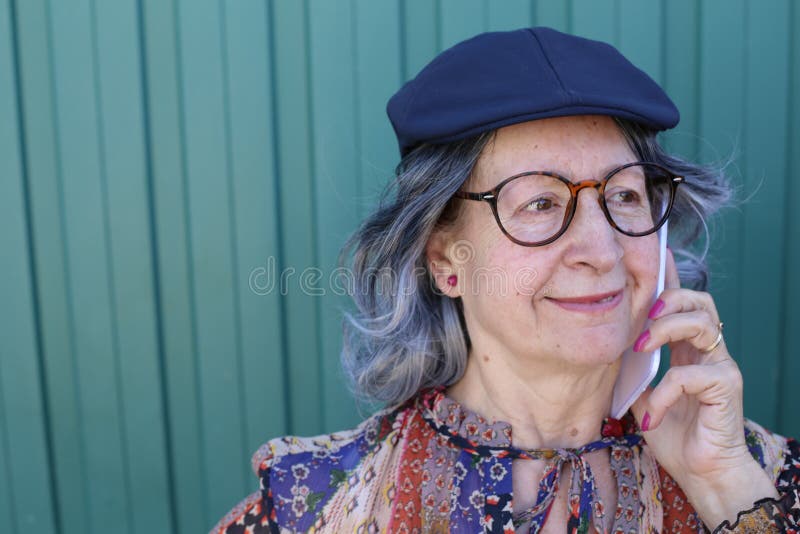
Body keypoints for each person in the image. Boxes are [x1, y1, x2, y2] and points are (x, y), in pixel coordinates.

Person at [211, 27, 800, 533]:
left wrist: (728, 488)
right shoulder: (308, 507)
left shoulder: (763, 478)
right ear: (444, 259)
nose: (602, 250)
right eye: (540, 204)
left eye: (625, 194)